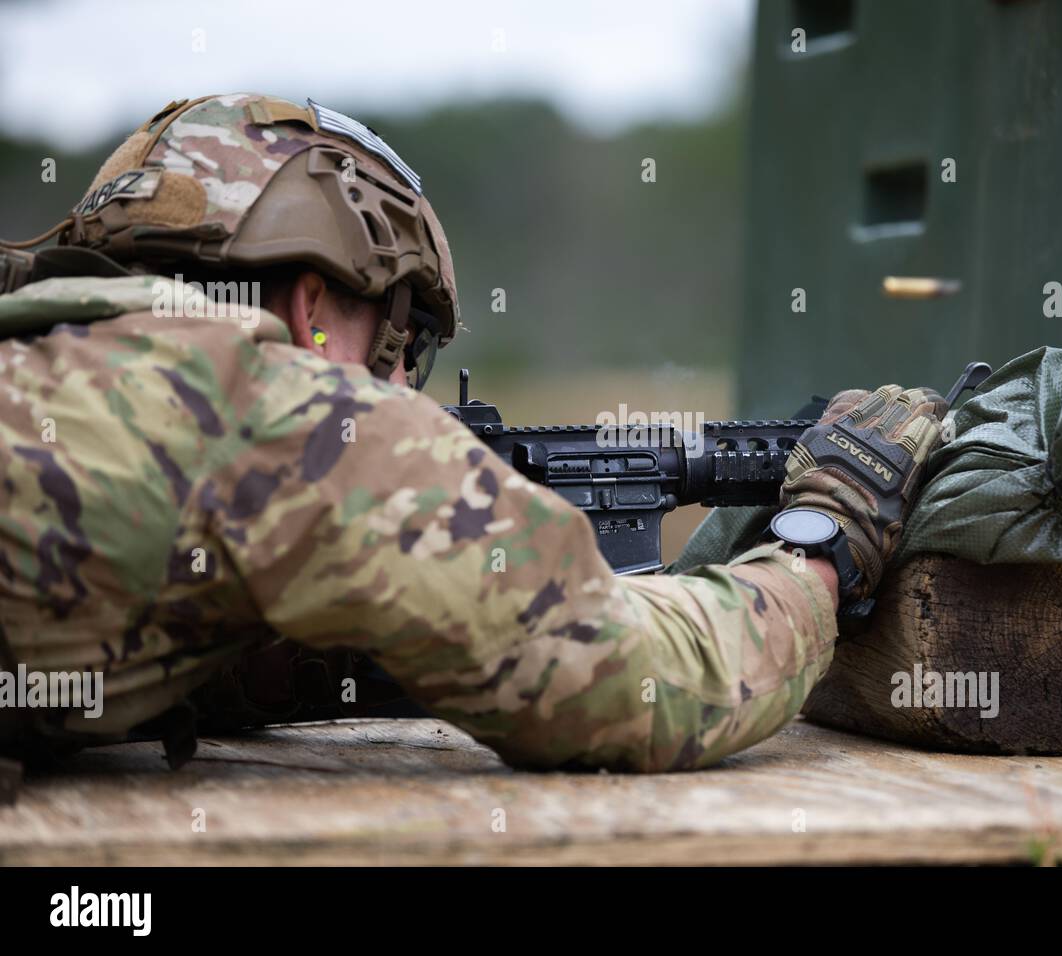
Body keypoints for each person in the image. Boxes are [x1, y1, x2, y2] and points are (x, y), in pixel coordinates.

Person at [0, 93, 947, 772]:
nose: (400, 387)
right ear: (315, 304)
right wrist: (823, 541)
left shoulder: (53, 364)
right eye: (399, 340)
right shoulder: (274, 411)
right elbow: (637, 685)